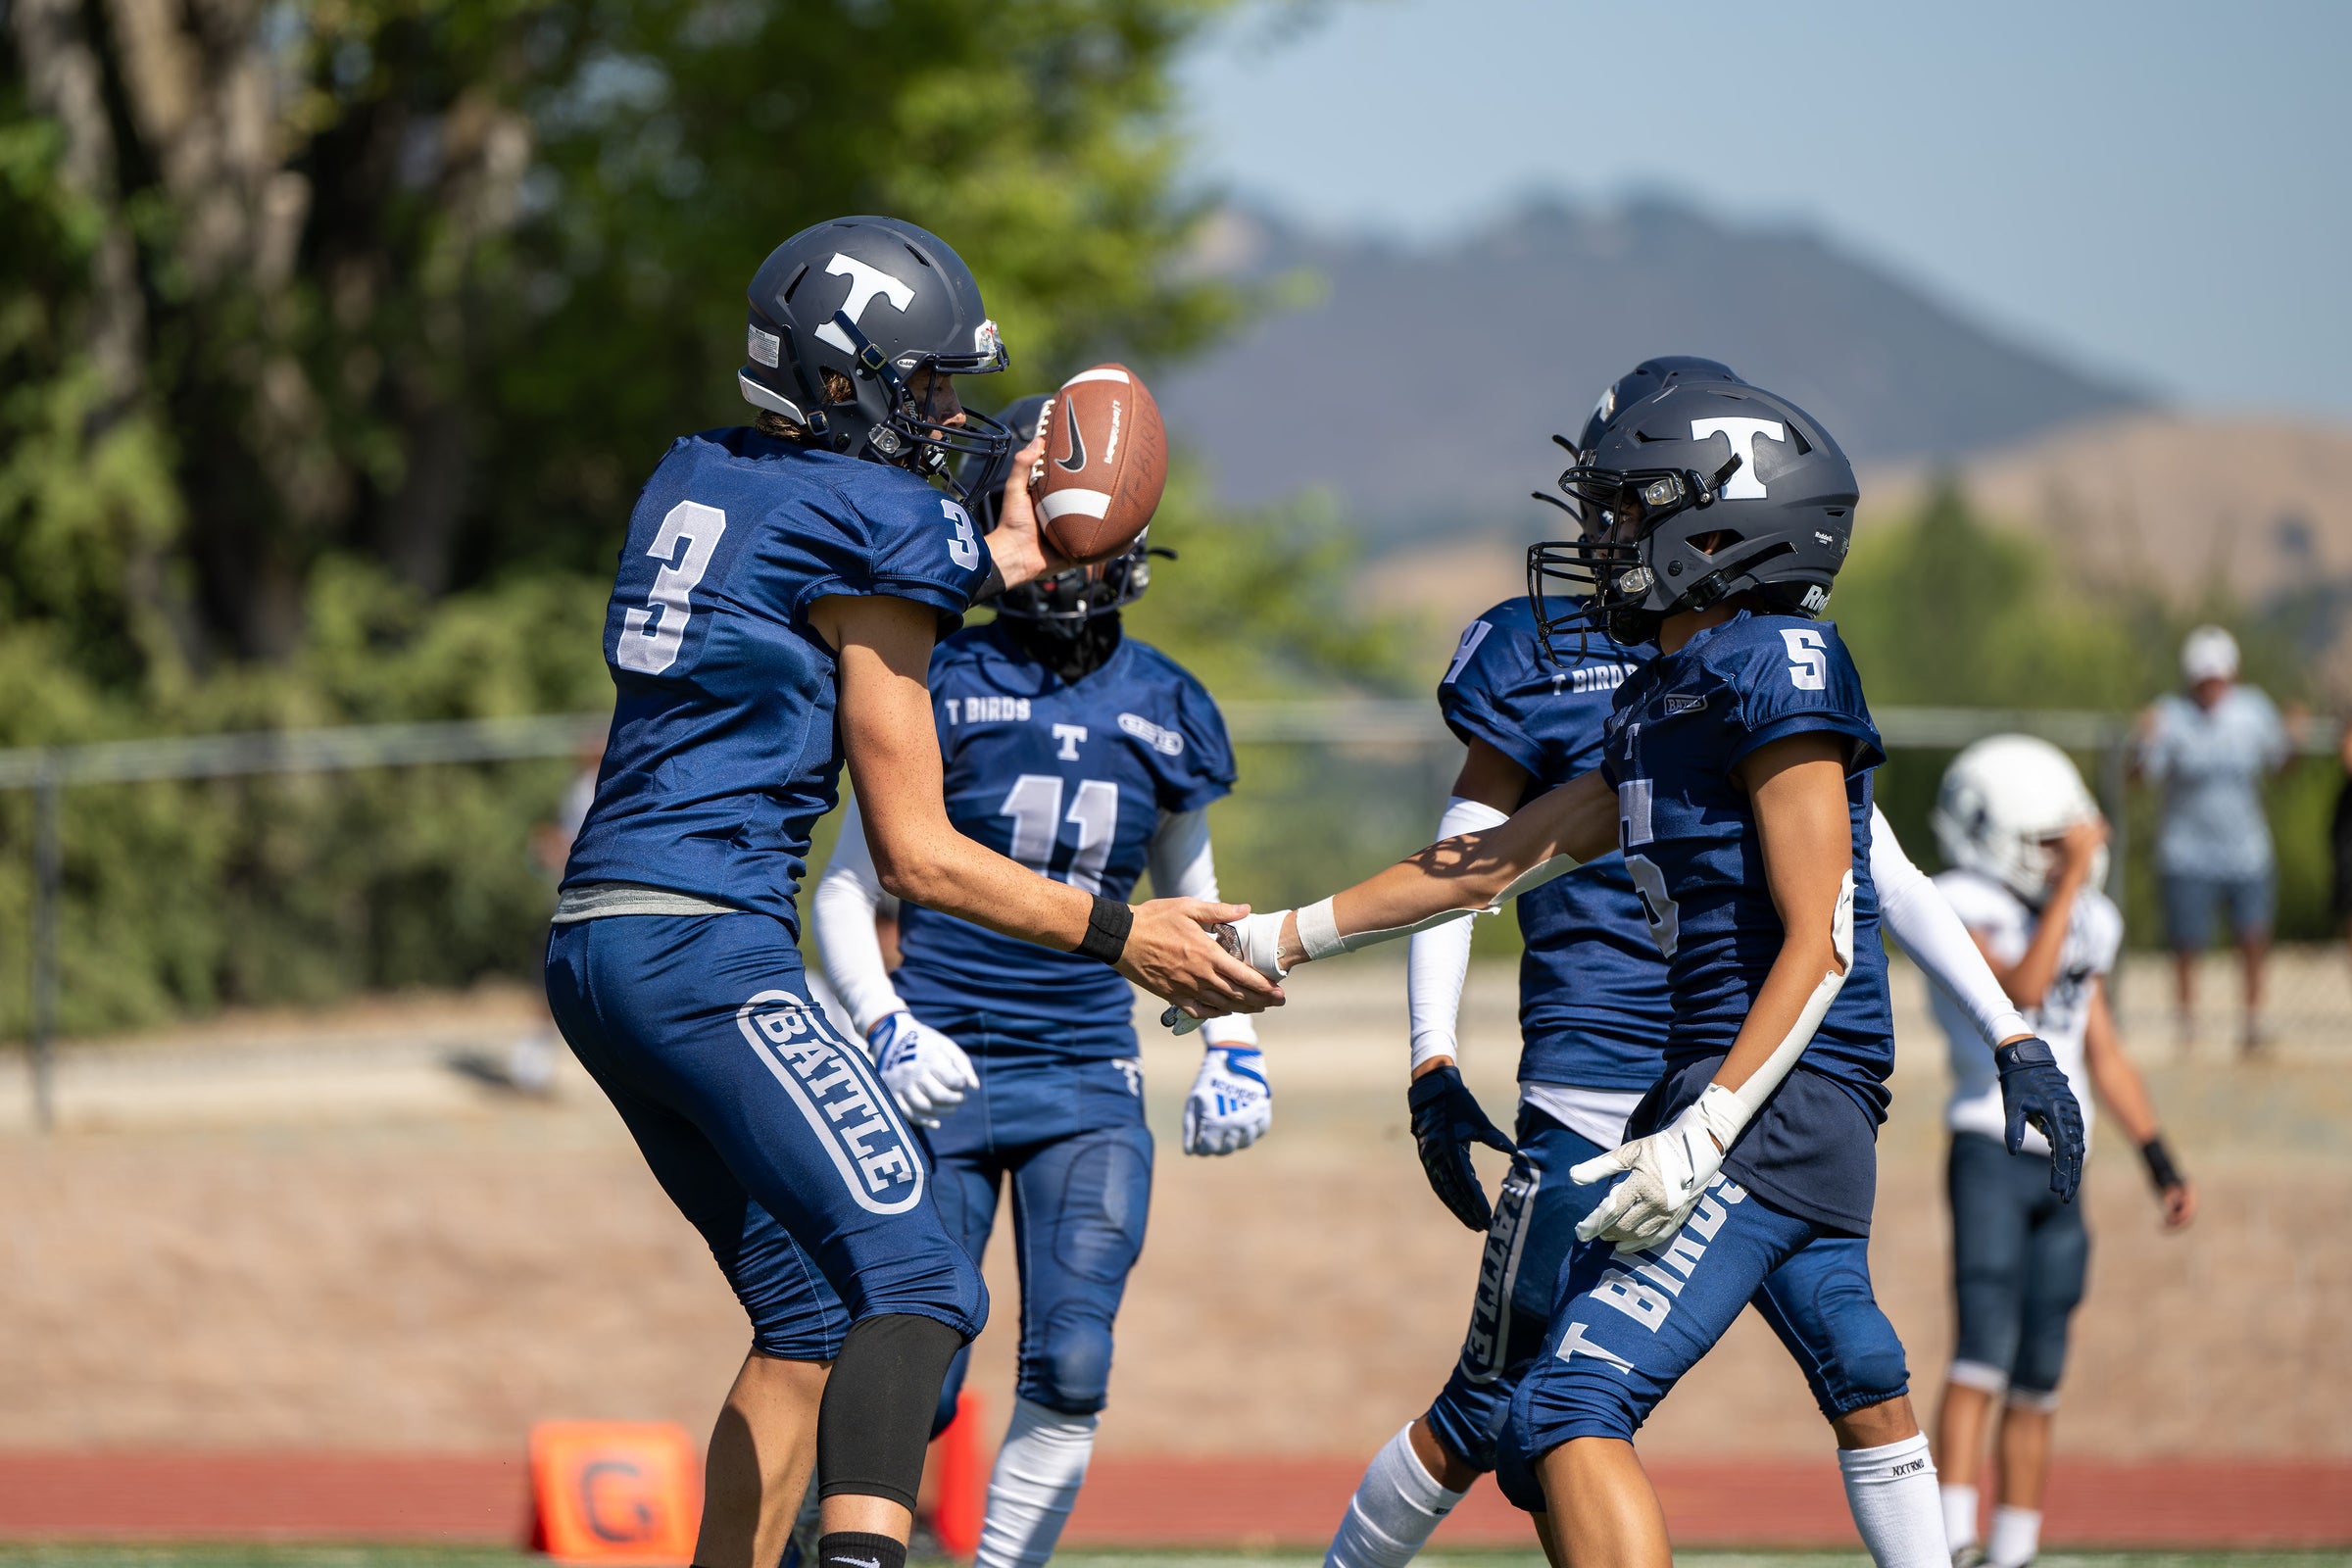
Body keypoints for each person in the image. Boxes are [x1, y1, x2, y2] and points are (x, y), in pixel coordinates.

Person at [1206, 378, 2084, 1568]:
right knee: (1863, 1367)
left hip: (1775, 1099)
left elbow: (1827, 932)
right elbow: (1490, 862)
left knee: (1565, 1406)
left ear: (1721, 532)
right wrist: (1273, 939)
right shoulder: (1663, 700)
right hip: (1726, 1090)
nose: (1600, 542)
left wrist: (1707, 1130)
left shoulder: (1780, 663)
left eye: (1629, 512)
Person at [542, 216, 1278, 1568]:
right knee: (925, 1282)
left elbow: (817, 585)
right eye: (924, 382)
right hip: (710, 950)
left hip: (599, 943)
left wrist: (987, 558)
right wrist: (1129, 935)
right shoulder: (875, 516)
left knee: (809, 1319)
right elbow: (923, 855)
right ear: (840, 380)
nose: (947, 413)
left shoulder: (700, 472)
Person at [813, 396, 1270, 1568]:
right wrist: (886, 1027)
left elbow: (1197, 906)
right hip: (944, 1067)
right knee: (917, 1371)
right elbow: (844, 891)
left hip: (1085, 1073)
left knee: (1073, 1362)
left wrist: (1233, 1048)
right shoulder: (937, 669)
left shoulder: (1169, 702)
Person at [1927, 736, 2195, 1568]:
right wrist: (2073, 879)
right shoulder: (1955, 898)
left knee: (2041, 1370)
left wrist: (2159, 1159)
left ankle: (2015, 1550)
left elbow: (2100, 1049)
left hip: (2063, 1161)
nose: (2061, 858)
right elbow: (2023, 991)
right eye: (2048, 843)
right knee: (1981, 1351)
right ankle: (1950, 1541)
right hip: (1988, 1139)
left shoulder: (2086, 916)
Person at [2132, 625, 2290, 1052]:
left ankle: (2254, 1022)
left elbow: (2281, 766)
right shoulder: (2170, 715)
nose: (2212, 687)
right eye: (2204, 679)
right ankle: (2188, 1025)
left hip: (2248, 848)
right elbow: (2140, 777)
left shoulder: (2255, 711)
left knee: (2254, 934)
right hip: (2185, 851)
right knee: (2187, 941)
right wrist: (2140, 743)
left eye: (2218, 677)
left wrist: (2293, 737)